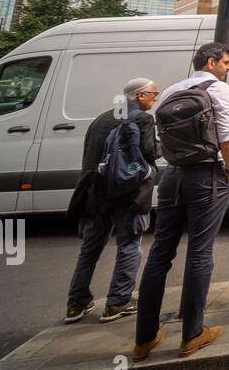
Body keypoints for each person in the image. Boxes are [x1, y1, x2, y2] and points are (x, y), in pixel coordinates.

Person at [133, 42, 229, 361]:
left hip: (172, 176)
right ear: (210, 62)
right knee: (200, 251)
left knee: (160, 252)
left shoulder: (170, 91)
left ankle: (144, 339)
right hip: (205, 175)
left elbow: (162, 139)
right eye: (226, 62)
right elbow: (226, 136)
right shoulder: (217, 89)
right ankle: (192, 334)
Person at [65, 77, 159, 324]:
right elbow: (149, 153)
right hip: (128, 194)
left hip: (96, 194)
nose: (155, 99)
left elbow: (89, 156)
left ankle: (76, 302)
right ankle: (118, 301)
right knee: (129, 245)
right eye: (152, 94)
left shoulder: (101, 119)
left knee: (90, 248)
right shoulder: (143, 119)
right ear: (139, 96)